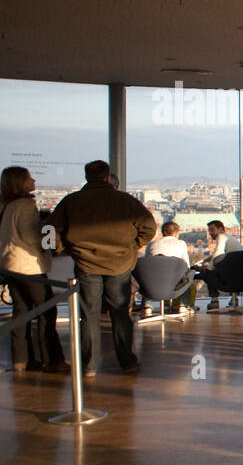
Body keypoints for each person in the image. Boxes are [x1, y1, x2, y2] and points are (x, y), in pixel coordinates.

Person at [51, 159, 156, 376]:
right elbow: (149, 226)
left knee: (88, 315)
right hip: (119, 263)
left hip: (86, 264)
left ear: (87, 177)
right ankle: (127, 362)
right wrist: (133, 246)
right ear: (108, 177)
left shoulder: (72, 201)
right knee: (120, 314)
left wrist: (66, 249)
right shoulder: (124, 200)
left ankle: (88, 365)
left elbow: (49, 232)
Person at [0, 166, 69, 374]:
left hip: (10, 265)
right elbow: (31, 237)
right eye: (30, 178)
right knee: (47, 312)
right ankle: (52, 359)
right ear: (20, 182)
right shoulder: (25, 205)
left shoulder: (6, 205)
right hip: (30, 267)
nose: (34, 181)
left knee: (21, 312)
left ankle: (21, 360)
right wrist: (46, 230)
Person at [194, 220, 237, 310]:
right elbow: (214, 256)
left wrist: (208, 268)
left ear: (221, 229)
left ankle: (214, 300)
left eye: (212, 230)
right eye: (209, 230)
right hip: (239, 274)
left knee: (207, 271)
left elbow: (218, 253)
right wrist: (201, 262)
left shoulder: (221, 236)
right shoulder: (230, 238)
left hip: (230, 274)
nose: (210, 233)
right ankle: (234, 299)